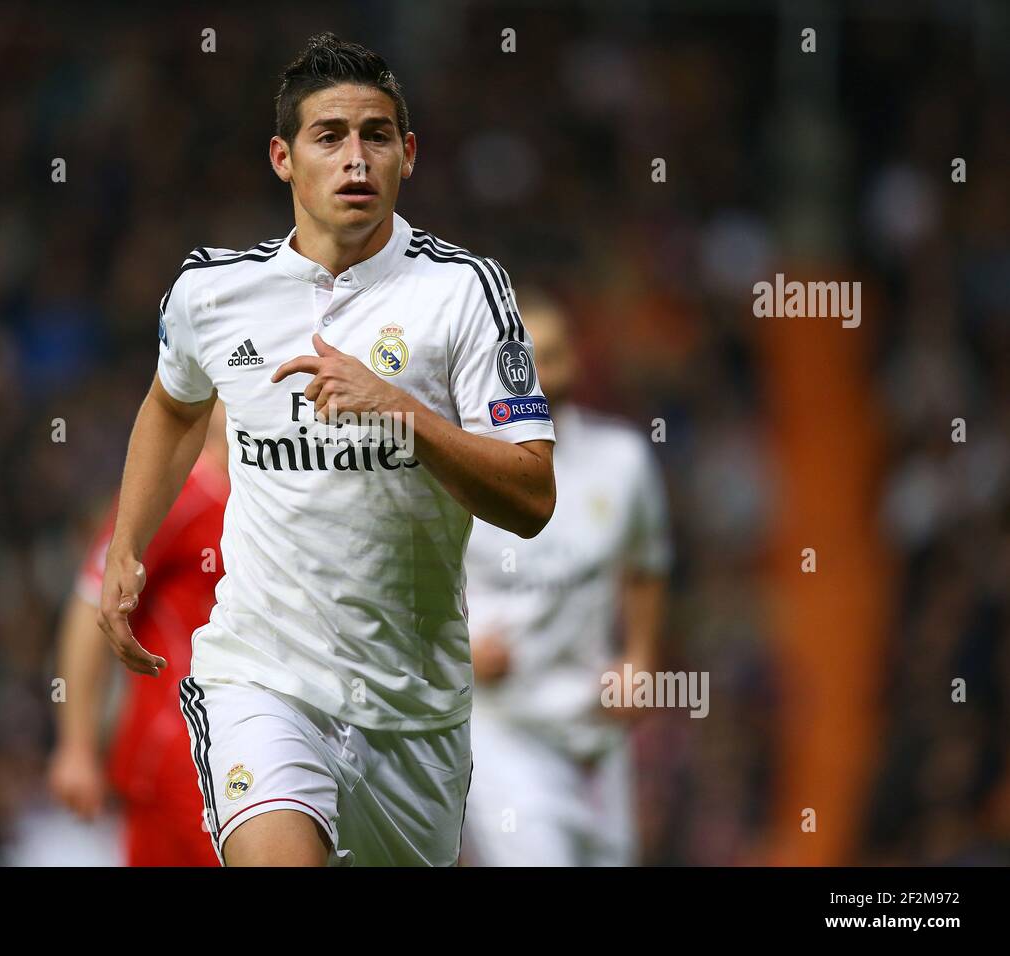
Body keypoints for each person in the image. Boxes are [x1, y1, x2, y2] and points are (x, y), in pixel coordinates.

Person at [97, 33, 557, 866]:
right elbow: (171, 407)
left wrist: (405, 413)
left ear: (408, 155)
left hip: (414, 713)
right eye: (330, 136)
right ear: (283, 157)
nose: (357, 159)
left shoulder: (466, 294)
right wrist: (127, 545)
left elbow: (532, 497)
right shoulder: (212, 293)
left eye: (377, 136)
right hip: (261, 679)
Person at [460, 287, 671, 866]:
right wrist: (461, 649)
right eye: (521, 358)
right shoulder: (458, 470)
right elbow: (402, 587)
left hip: (596, 733)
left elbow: (647, 563)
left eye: (549, 355)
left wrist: (640, 655)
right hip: (504, 727)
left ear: (574, 359)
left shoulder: (623, 461)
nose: (537, 374)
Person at [48, 405, 228, 866]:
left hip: (242, 752)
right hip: (177, 755)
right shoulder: (177, 493)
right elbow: (93, 600)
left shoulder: (273, 499)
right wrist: (77, 746)